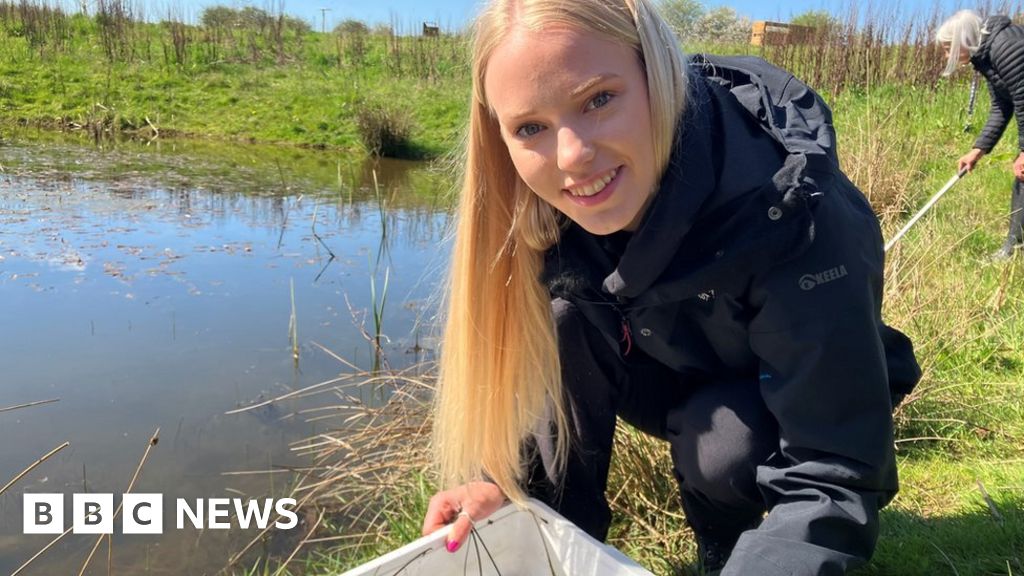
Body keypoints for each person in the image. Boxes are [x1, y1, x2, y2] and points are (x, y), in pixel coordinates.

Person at [421, 0, 921, 574]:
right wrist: (506, 494)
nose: (573, 158)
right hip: (668, 362)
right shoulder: (548, 213)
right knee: (566, 310)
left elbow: (832, 469)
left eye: (599, 99)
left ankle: (723, 546)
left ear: (658, 75)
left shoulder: (793, 209)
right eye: (530, 127)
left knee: (728, 449)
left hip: (784, 393)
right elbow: (558, 384)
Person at [937, 9, 1024, 259]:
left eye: (947, 48)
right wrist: (978, 150)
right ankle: (1014, 248)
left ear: (961, 42)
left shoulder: (1006, 47)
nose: (947, 55)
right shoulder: (987, 55)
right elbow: (1001, 107)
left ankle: (1013, 248)